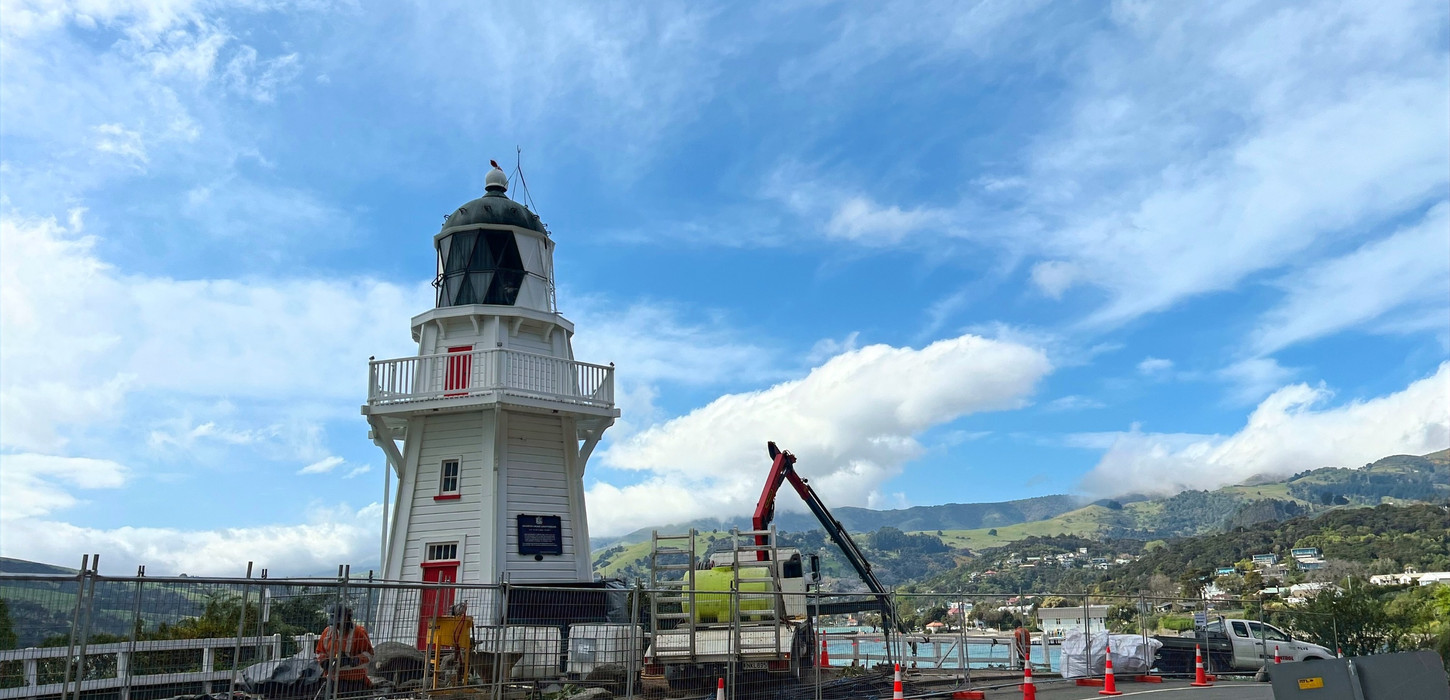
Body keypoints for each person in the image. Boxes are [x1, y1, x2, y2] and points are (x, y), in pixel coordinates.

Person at [316, 606, 374, 696]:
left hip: (354, 680)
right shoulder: (327, 632)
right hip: (332, 679)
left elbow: (369, 654)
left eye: (339, 622)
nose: (337, 626)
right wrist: (324, 662)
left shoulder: (359, 632)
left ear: (347, 618)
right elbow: (320, 652)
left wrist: (354, 660)